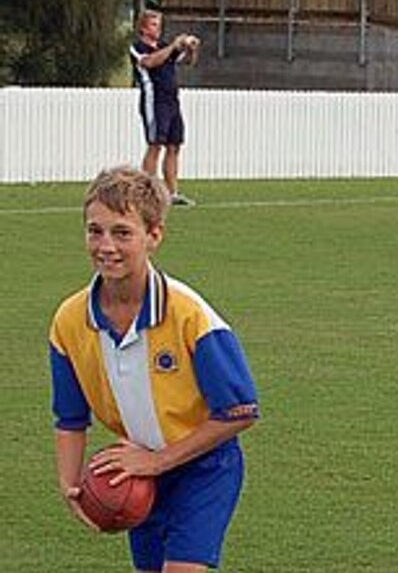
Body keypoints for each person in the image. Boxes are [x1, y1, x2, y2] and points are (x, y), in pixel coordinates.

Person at [50, 165, 260, 572]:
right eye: (95, 231)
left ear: (155, 235)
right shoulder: (69, 321)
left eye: (122, 232)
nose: (105, 245)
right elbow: (70, 417)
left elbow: (240, 410)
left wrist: (159, 462)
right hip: (137, 472)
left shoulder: (190, 316)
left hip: (205, 468)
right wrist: (71, 483)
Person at [131, 10, 198, 207]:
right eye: (153, 24)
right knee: (155, 145)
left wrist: (192, 48)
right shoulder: (138, 47)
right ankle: (146, 192)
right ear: (143, 28)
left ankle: (172, 192)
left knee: (174, 146)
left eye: (159, 24)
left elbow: (188, 62)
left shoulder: (163, 46)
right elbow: (150, 62)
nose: (158, 28)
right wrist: (173, 46)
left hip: (172, 101)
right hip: (154, 101)